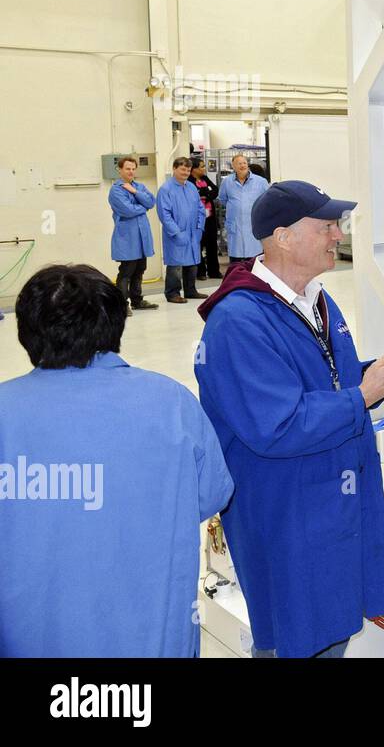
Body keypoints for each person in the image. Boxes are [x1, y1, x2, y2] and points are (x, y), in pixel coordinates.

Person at [194, 180, 384, 658]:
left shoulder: (316, 300)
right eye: (327, 226)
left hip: (331, 501)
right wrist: (363, 395)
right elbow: (278, 424)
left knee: (332, 629)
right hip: (286, 514)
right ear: (284, 237)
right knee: (295, 636)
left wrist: (371, 376)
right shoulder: (238, 322)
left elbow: (322, 380)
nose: (339, 235)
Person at [0, 264, 232, 656]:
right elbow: (211, 496)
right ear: (115, 326)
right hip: (151, 641)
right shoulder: (171, 403)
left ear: (26, 332)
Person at [107, 155, 158, 315]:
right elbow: (127, 211)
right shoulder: (116, 190)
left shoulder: (138, 186)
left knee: (140, 269)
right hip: (127, 237)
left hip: (142, 236)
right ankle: (122, 304)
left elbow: (151, 202)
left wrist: (135, 192)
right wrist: (142, 207)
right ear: (120, 170)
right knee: (127, 271)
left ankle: (137, 300)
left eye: (133, 169)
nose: (131, 172)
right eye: (127, 169)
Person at [155, 157, 206, 304]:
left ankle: (191, 290)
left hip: (193, 232)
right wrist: (176, 232)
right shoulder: (166, 189)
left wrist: (199, 228)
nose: (185, 172)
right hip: (176, 234)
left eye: (188, 170)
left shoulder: (191, 188)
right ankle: (172, 293)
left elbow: (200, 209)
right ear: (174, 169)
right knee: (175, 265)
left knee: (192, 262)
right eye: (182, 169)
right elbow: (164, 215)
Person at [217, 153, 270, 271]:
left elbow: (267, 200)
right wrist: (235, 208)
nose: (242, 165)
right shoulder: (227, 182)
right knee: (236, 263)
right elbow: (222, 199)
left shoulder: (261, 181)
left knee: (254, 261)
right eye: (239, 163)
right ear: (233, 166)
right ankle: (236, 285)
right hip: (235, 226)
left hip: (253, 225)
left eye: (244, 163)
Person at [190, 159, 222, 281]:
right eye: (202, 167)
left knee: (212, 244)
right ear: (194, 169)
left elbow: (215, 190)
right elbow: (196, 196)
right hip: (197, 219)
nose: (204, 169)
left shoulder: (205, 179)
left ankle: (214, 271)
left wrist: (206, 195)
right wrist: (205, 193)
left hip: (210, 218)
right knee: (198, 245)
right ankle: (200, 272)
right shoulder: (189, 182)